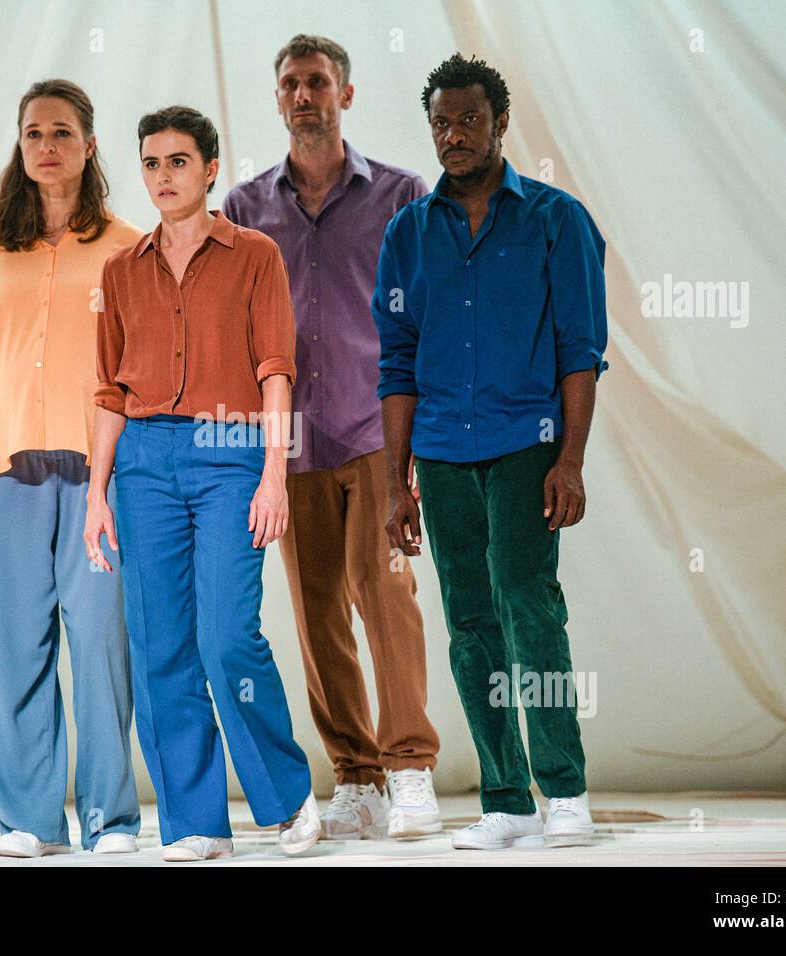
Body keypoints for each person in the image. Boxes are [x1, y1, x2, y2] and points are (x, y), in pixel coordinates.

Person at [373, 54, 608, 850]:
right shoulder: (407, 233)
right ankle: (505, 801)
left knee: (529, 606)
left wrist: (570, 460)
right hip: (440, 457)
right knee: (470, 624)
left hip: (526, 448)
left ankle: (564, 790)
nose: (453, 135)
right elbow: (396, 363)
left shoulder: (556, 219)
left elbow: (581, 350)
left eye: (468, 120)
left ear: (500, 122)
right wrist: (395, 483)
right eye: (440, 122)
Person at [83, 105, 320, 862]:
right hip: (144, 466)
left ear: (210, 169)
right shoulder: (120, 270)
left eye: (178, 161)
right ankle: (194, 824)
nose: (163, 176)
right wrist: (96, 494)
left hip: (232, 456)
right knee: (160, 646)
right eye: (151, 163)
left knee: (226, 637)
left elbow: (277, 372)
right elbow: (109, 393)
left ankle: (285, 799)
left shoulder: (255, 255)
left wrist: (274, 475)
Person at [221, 34, 442, 841]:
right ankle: (358, 778)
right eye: (290, 84)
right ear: (277, 99)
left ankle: (411, 765)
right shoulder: (245, 210)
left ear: (346, 95)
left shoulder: (399, 196)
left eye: (318, 82)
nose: (304, 95)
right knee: (316, 614)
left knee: (382, 590)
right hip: (290, 446)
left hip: (377, 432)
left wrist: (420, 447)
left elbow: (428, 318)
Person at [0, 79, 142, 858]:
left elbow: (135, 370)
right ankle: (28, 820)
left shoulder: (126, 245)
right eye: (32, 133)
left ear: (89, 145)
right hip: (6, 475)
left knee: (99, 645)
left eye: (61, 132)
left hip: (99, 478)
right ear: (19, 147)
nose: (46, 145)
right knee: (14, 650)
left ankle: (111, 819)